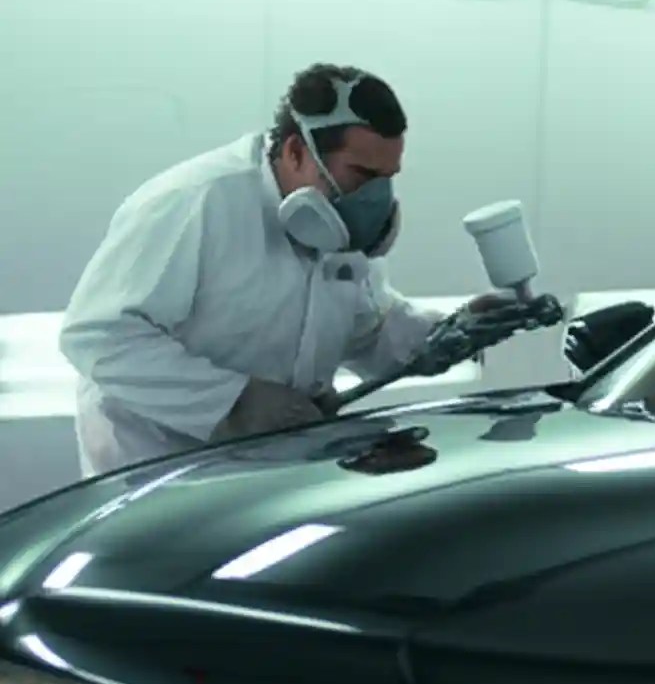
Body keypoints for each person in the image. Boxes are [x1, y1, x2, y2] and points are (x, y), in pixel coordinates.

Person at [59, 63, 504, 478]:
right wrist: (235, 402)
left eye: (387, 177)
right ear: (295, 151)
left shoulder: (337, 233)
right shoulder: (198, 201)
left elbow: (367, 331)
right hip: (156, 473)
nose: (374, 197)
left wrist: (446, 334)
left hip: (266, 477)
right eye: (361, 174)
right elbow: (98, 336)